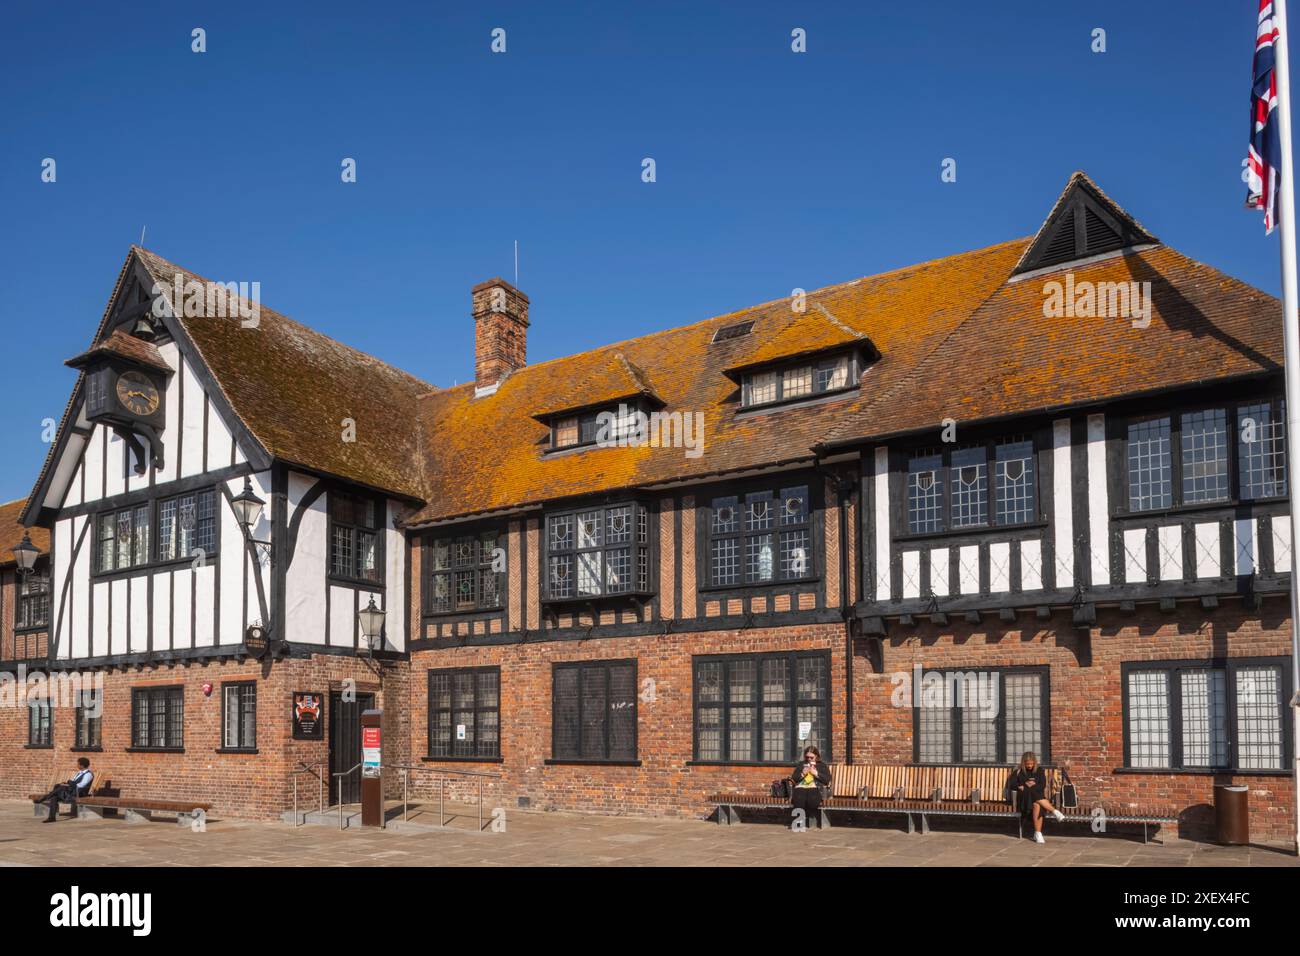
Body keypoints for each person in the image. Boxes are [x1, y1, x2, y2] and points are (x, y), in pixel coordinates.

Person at [1012, 751, 1064, 843]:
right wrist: (1023, 786)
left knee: (1037, 805)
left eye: (1031, 764)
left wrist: (1031, 786)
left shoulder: (1039, 770)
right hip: (1024, 799)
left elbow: (1042, 785)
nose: (1029, 766)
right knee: (1033, 793)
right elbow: (1014, 785)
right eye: (1027, 764)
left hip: (1036, 798)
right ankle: (1054, 811)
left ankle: (1038, 833)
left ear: (1034, 762)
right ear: (1023, 763)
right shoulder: (1019, 771)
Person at [33, 757, 93, 823]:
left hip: (79, 793)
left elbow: (81, 785)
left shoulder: (88, 774)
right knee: (55, 795)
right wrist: (66, 784)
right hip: (72, 792)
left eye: (78, 764)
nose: (77, 765)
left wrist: (69, 784)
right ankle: (51, 818)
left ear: (82, 765)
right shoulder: (79, 773)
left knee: (61, 788)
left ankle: (44, 798)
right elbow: (73, 782)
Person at [789, 746, 831, 830]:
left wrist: (816, 773)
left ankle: (807, 819)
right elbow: (794, 778)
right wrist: (802, 774)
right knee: (799, 796)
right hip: (801, 786)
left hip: (815, 787)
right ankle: (799, 823)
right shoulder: (801, 764)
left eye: (811, 757)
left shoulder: (822, 765)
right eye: (807, 757)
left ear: (816, 756)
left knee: (811, 797)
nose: (809, 759)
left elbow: (827, 780)